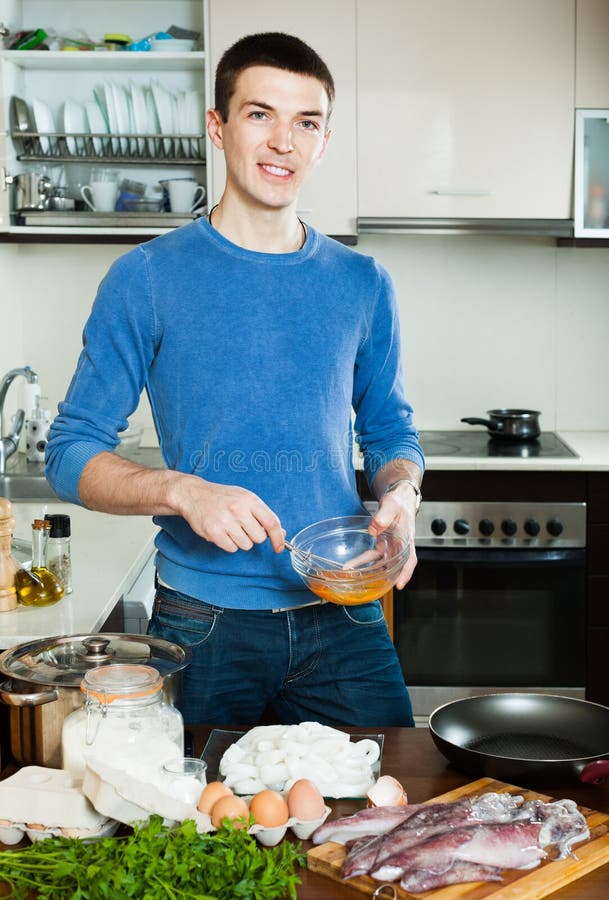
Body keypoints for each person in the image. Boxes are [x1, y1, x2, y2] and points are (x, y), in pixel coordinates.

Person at [46, 31, 424, 728]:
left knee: (389, 786)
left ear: (323, 141)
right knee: (194, 795)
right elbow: (70, 453)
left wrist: (402, 491)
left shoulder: (362, 282)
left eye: (305, 122)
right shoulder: (146, 278)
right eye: (260, 114)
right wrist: (181, 490)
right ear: (218, 127)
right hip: (202, 620)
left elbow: (389, 432)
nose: (283, 141)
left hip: (342, 610)